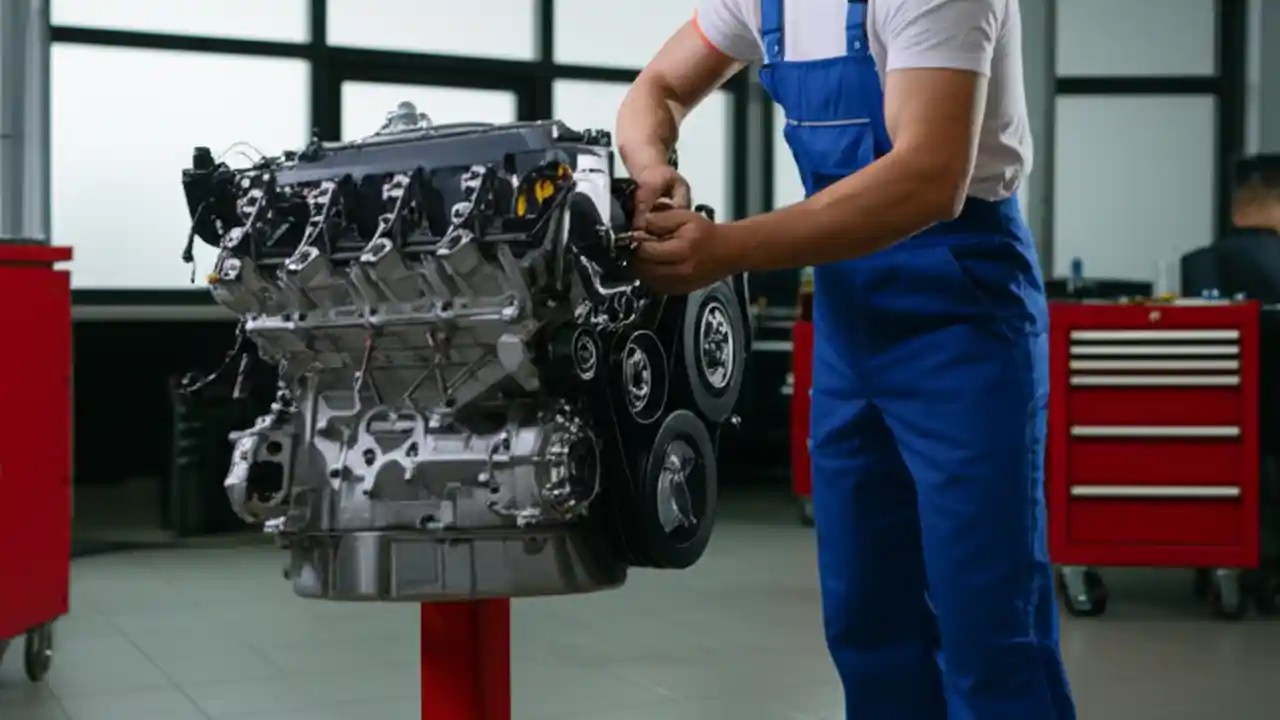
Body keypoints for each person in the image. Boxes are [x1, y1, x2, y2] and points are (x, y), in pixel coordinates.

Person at [615, 1, 1075, 719]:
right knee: (867, 617)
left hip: (964, 310)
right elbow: (656, 90)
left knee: (987, 623)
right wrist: (653, 169)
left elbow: (929, 175)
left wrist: (726, 250)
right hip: (848, 309)